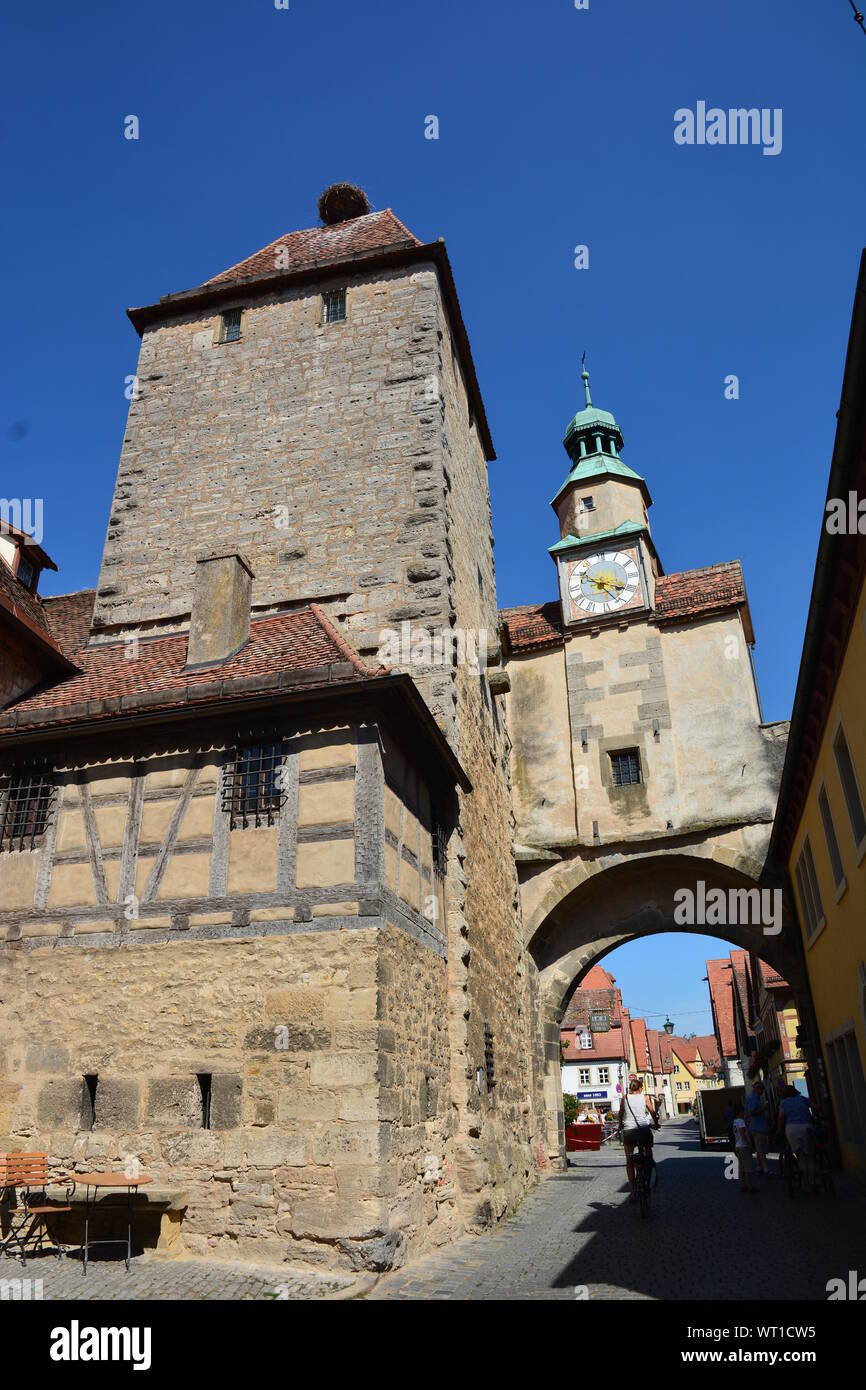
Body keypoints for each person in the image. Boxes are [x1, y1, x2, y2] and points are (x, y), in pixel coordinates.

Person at [618, 1076, 659, 1202]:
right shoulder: (645, 1097)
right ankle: (647, 1177)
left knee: (629, 1160)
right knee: (648, 1153)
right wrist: (656, 1123)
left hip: (629, 1131)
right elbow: (652, 1112)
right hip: (643, 1130)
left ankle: (632, 1192)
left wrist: (620, 1124)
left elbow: (620, 1113)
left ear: (630, 1089)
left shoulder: (625, 1098)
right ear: (640, 1088)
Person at [777, 1085, 817, 1191]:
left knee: (800, 1157)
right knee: (809, 1157)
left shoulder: (784, 1102)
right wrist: (822, 1116)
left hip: (792, 1128)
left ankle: (805, 1185)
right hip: (807, 1127)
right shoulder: (803, 1099)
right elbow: (816, 1107)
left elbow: (781, 1117)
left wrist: (779, 1129)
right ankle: (812, 1181)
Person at [744, 1082, 771, 1176]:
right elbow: (751, 1112)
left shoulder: (754, 1097)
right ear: (758, 1089)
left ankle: (760, 1166)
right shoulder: (753, 1098)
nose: (763, 1091)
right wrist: (764, 1108)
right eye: (762, 1089)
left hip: (757, 1126)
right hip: (757, 1127)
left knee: (760, 1147)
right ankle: (765, 1168)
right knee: (761, 1149)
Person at [732, 1103, 756, 1192]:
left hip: (737, 1146)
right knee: (748, 1168)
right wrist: (749, 1146)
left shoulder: (734, 1122)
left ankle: (742, 1185)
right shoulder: (741, 1121)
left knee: (741, 1168)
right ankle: (750, 1186)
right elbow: (743, 1134)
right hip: (743, 1146)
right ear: (740, 1112)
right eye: (743, 1111)